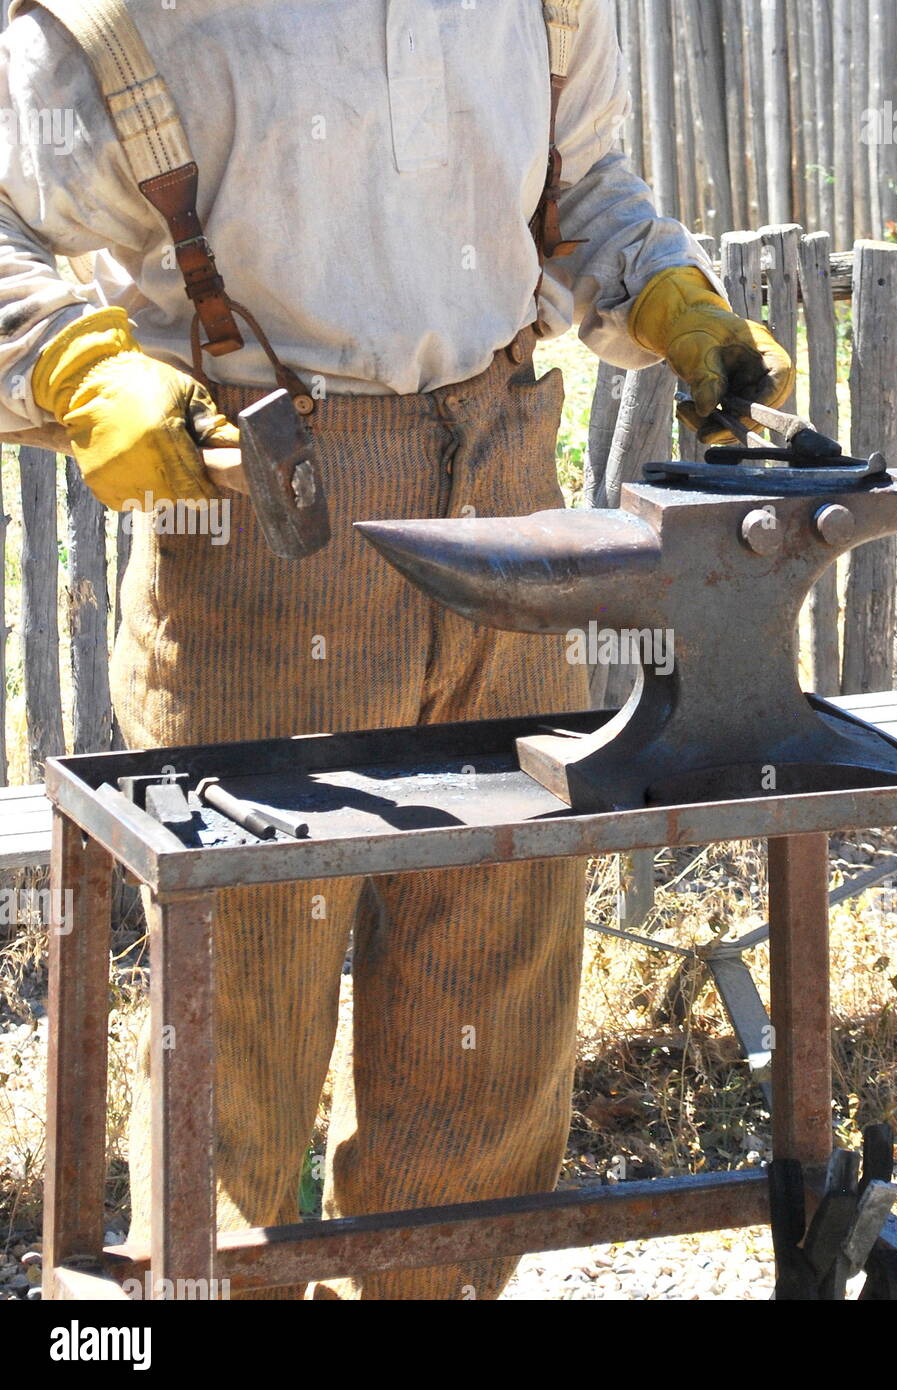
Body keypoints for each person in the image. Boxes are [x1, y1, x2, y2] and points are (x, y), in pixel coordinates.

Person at [0, 0, 792, 1299]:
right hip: (263, 540)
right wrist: (79, 363)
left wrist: (666, 293)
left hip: (512, 513)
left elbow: (583, 189)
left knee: (488, 1042)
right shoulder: (123, 18)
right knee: (234, 1055)